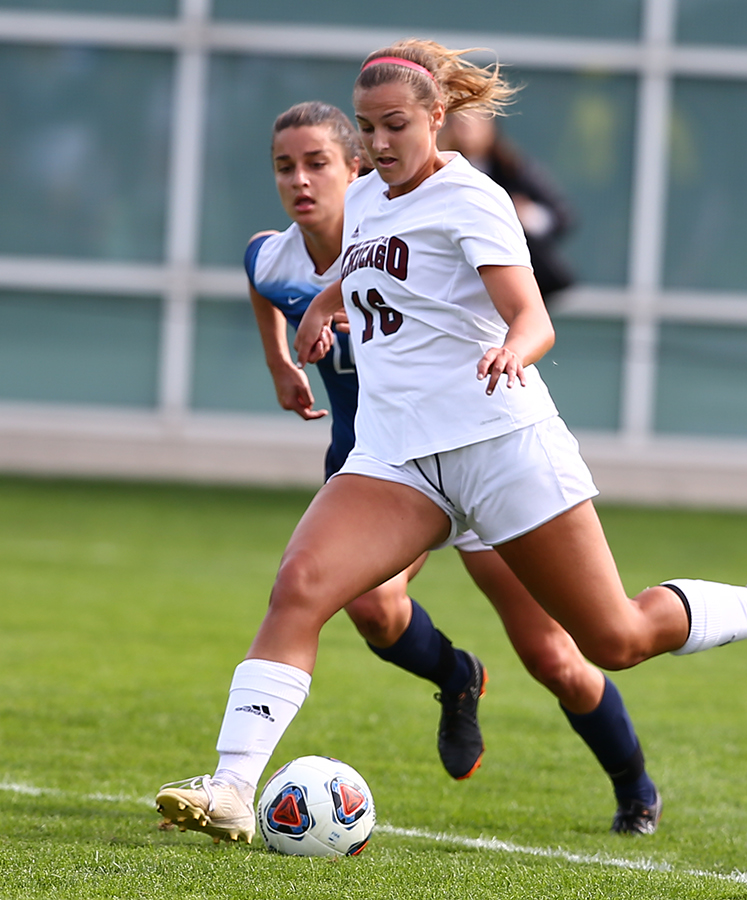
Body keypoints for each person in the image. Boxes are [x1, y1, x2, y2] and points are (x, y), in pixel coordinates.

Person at [155, 40, 747, 846]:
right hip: (397, 457)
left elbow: (533, 314)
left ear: (437, 118)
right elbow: (367, 261)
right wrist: (323, 302)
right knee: (301, 584)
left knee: (612, 640)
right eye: (368, 128)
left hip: (499, 443)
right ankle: (233, 785)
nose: (377, 144)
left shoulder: (474, 198)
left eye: (395, 126)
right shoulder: (370, 197)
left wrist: (516, 346)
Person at [215, 99, 662, 833]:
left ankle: (634, 785)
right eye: (284, 167)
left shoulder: (410, 223)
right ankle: (457, 678)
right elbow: (260, 276)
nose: (300, 181)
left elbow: (515, 300)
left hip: (476, 455)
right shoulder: (278, 254)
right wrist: (279, 364)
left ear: (357, 167)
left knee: (557, 652)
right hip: (385, 469)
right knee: (367, 605)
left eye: (318, 163)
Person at [437, 109, 576, 301]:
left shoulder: (513, 168)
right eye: (459, 123)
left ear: (490, 127)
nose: (465, 129)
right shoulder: (441, 174)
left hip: (511, 276)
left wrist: (526, 215)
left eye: (473, 122)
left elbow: (562, 216)